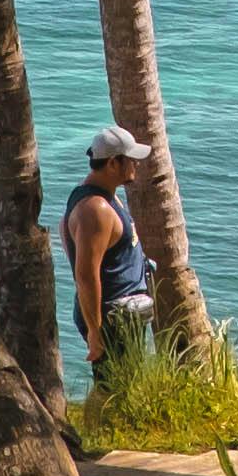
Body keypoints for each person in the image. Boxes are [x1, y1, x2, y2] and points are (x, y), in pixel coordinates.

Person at [61, 131, 157, 395]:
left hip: (122, 311)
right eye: (131, 159)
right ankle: (101, 430)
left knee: (124, 383)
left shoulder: (104, 197)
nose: (136, 164)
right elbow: (86, 275)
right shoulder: (96, 210)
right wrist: (95, 331)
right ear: (113, 163)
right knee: (116, 389)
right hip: (113, 317)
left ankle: (106, 428)